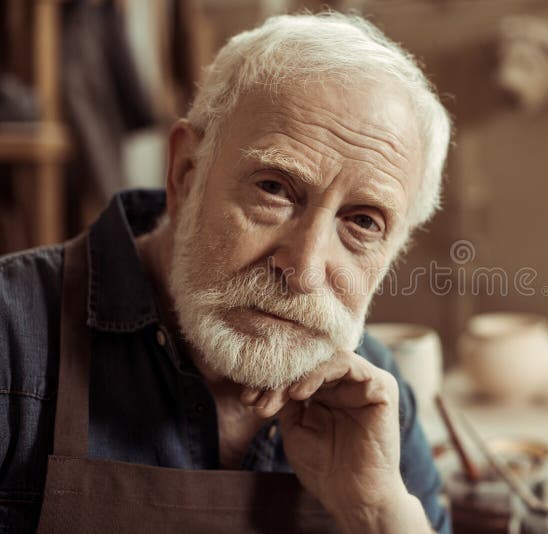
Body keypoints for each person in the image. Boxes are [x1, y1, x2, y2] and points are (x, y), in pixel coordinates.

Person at [0, 12, 452, 534]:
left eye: (363, 222)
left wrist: (376, 512)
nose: (304, 271)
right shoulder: (13, 341)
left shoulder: (374, 398)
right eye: (275, 189)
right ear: (186, 174)